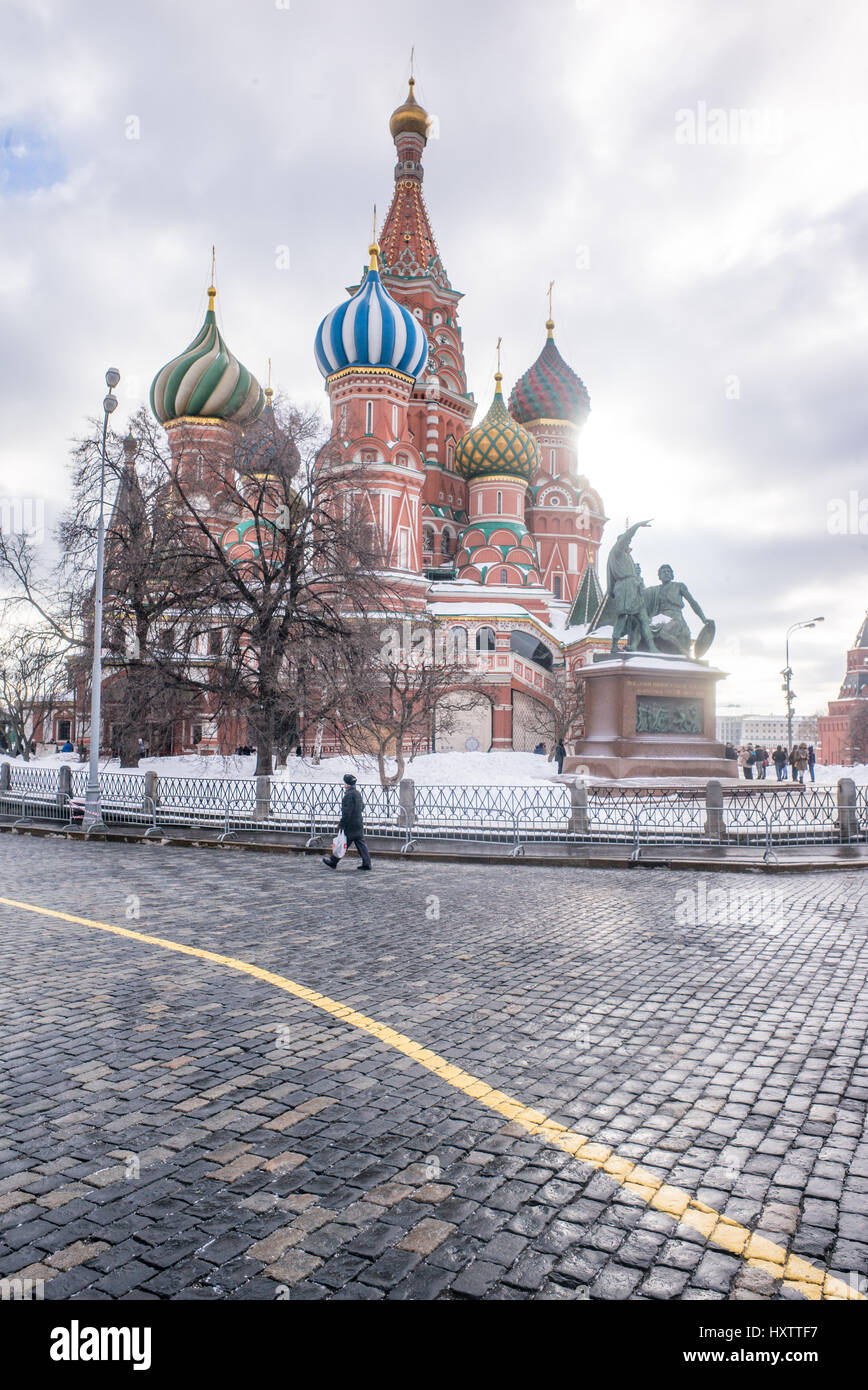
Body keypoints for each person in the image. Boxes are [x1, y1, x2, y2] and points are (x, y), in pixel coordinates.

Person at [322, 773, 372, 871]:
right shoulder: (357, 793)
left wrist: (342, 824)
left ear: (346, 784)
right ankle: (367, 863)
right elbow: (362, 806)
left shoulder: (348, 796)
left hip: (350, 825)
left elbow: (346, 812)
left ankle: (333, 861)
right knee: (361, 844)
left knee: (342, 843)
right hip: (358, 822)